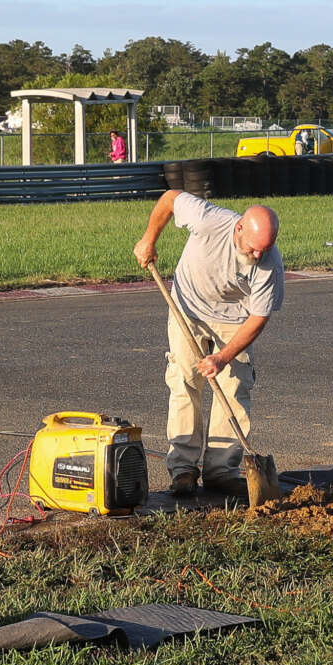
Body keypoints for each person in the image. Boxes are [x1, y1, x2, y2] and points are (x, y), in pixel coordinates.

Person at [134, 190, 282, 496]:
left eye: (264, 250)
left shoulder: (269, 263)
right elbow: (169, 199)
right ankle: (183, 470)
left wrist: (223, 357)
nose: (258, 256)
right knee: (185, 383)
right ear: (240, 228)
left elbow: (258, 318)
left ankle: (221, 470)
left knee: (234, 389)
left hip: (236, 321)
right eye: (254, 249)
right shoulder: (207, 219)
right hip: (188, 308)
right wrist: (149, 240)